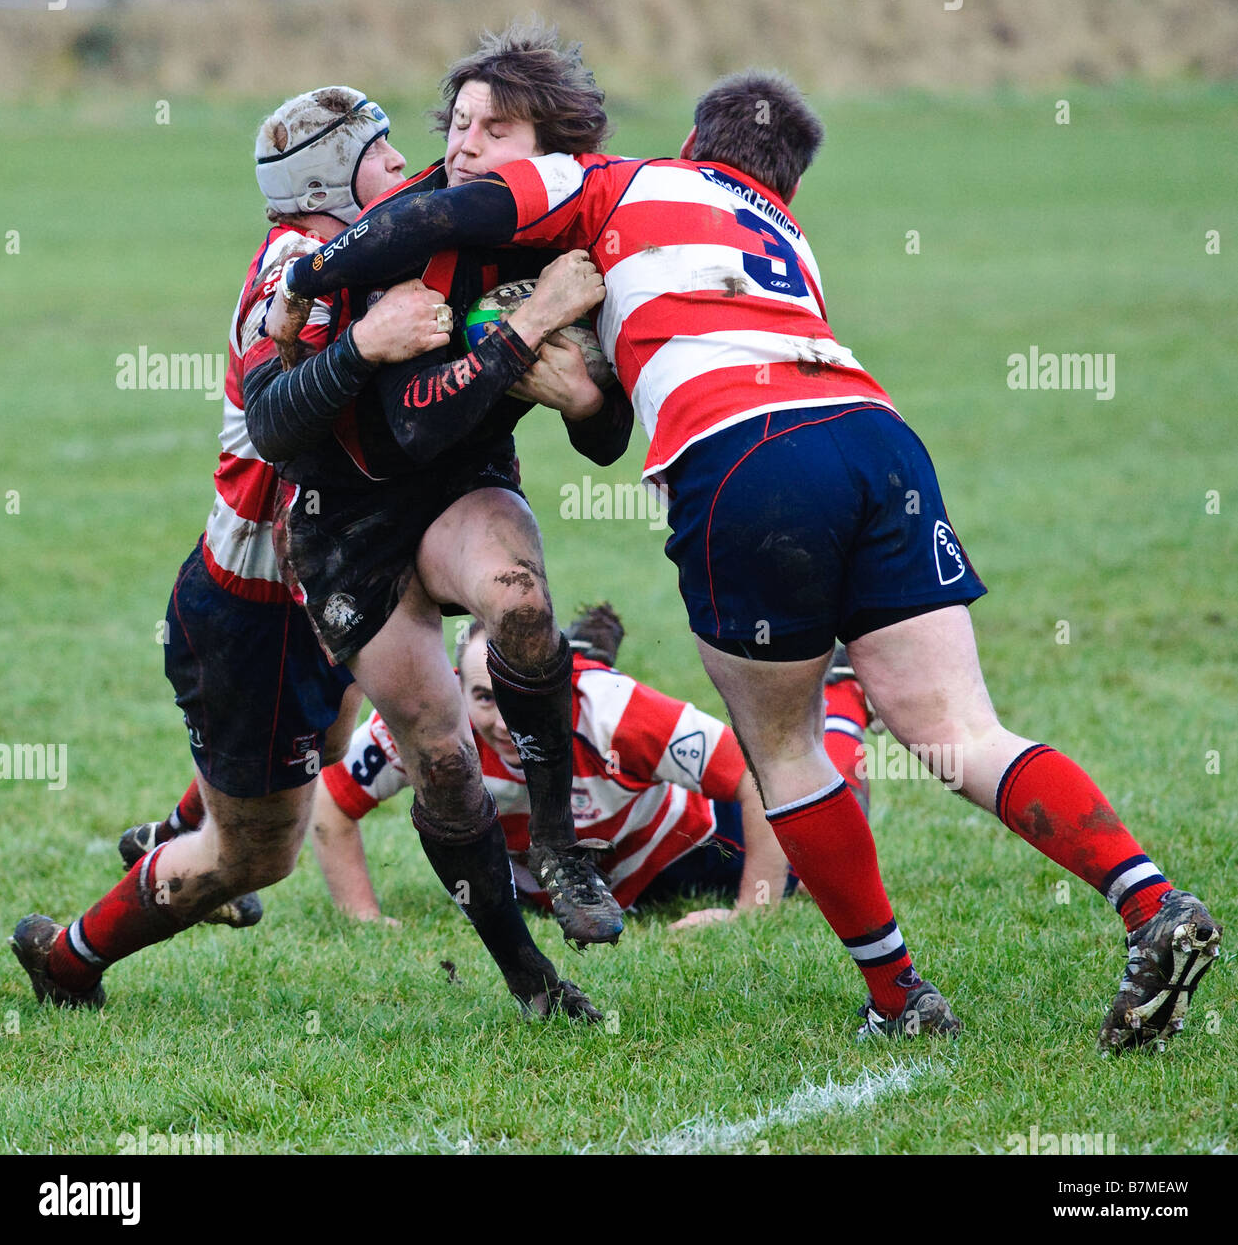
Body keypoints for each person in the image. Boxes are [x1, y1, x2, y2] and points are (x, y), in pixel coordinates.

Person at [271, 70, 1222, 1052]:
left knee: (784, 745)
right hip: (874, 434)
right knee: (957, 725)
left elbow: (459, 209)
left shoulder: (623, 182)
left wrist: (307, 279)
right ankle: (1147, 899)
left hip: (743, 454)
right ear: (787, 182)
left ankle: (896, 995)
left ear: (688, 141)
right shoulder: (783, 235)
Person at [11, 87, 451, 1008]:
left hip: (305, 592)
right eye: (382, 152)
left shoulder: (337, 248)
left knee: (331, 732)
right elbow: (278, 405)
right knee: (258, 855)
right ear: (331, 172)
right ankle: (67, 959)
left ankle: (165, 830)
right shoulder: (304, 262)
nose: (402, 166)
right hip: (252, 612)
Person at [237, 25, 639, 1019]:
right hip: (347, 518)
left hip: (462, 486)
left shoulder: (581, 237)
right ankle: (527, 975)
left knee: (523, 607)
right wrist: (521, 330)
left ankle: (561, 843)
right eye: (456, 122)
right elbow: (410, 425)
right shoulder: (405, 228)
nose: (463, 144)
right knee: (445, 761)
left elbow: (606, 435)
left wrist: (586, 400)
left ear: (552, 146)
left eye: (492, 128)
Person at [310, 604, 829, 925]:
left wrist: (749, 914)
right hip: (546, 887)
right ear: (456, 688)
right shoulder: (431, 720)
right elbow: (330, 803)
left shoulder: (614, 710)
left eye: (519, 700)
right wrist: (364, 918)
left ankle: (845, 699)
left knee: (811, 861)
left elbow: (753, 773)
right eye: (485, 698)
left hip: (676, 851)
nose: (505, 723)